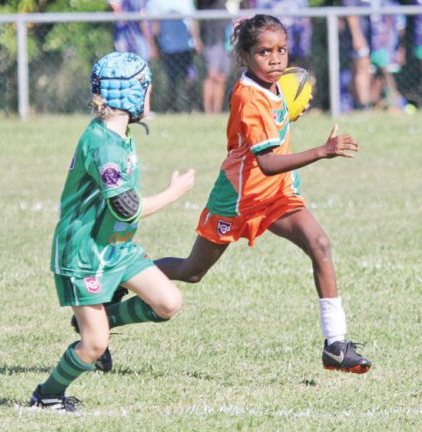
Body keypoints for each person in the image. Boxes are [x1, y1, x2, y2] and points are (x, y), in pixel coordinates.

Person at [155, 14, 372, 374]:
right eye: (264, 52)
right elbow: (268, 163)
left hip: (278, 194)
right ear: (243, 56)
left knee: (319, 243)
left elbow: (277, 139)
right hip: (238, 198)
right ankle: (129, 276)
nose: (275, 59)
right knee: (192, 271)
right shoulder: (248, 97)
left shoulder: (276, 86)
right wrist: (322, 150)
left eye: (281, 50)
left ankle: (335, 345)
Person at [29, 52, 195, 412]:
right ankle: (48, 395)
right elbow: (127, 208)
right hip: (84, 253)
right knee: (94, 345)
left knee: (168, 303)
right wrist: (174, 193)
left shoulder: (120, 133)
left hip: (117, 247)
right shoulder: (103, 144)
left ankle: (97, 318)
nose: (150, 94)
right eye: (145, 88)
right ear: (132, 94)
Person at [146, 0, 203, 112]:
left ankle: (193, 107)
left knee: (190, 78)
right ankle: (173, 107)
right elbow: (155, 24)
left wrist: (196, 39)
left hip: (186, 45)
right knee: (172, 80)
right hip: (168, 47)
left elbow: (192, 21)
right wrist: (155, 45)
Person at [198, 0, 233, 114]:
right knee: (211, 76)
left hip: (225, 37)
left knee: (221, 77)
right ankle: (208, 111)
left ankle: (217, 112)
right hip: (212, 38)